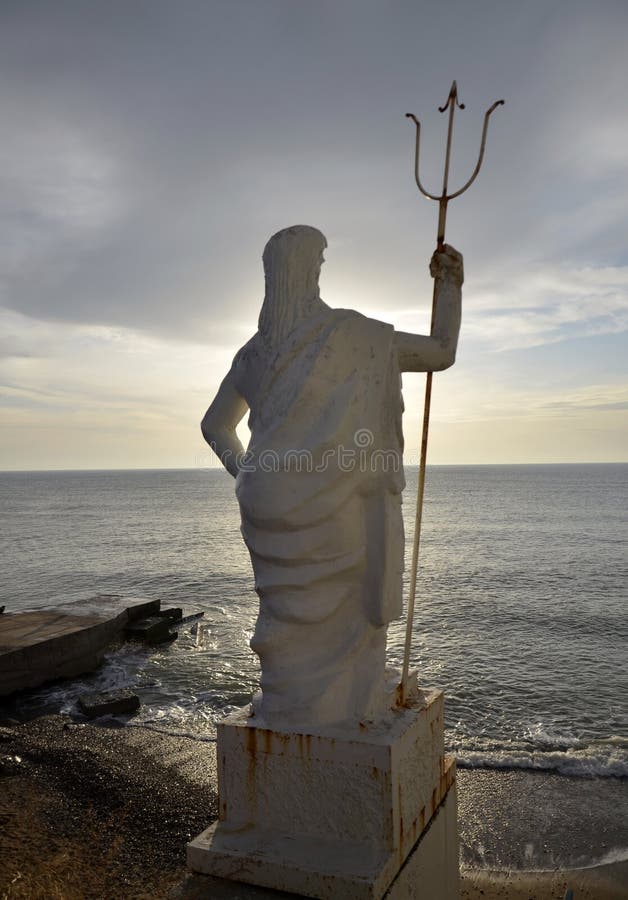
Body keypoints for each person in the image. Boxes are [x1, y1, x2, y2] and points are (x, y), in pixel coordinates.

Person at [202, 225, 463, 731]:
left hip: (263, 506)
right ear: (307, 273)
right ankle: (346, 708)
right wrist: (451, 286)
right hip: (341, 508)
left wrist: (252, 474)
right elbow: (439, 352)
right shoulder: (355, 336)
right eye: (318, 266)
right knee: (349, 622)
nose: (320, 275)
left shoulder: (250, 356)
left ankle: (290, 705)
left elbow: (215, 427)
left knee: (285, 620)